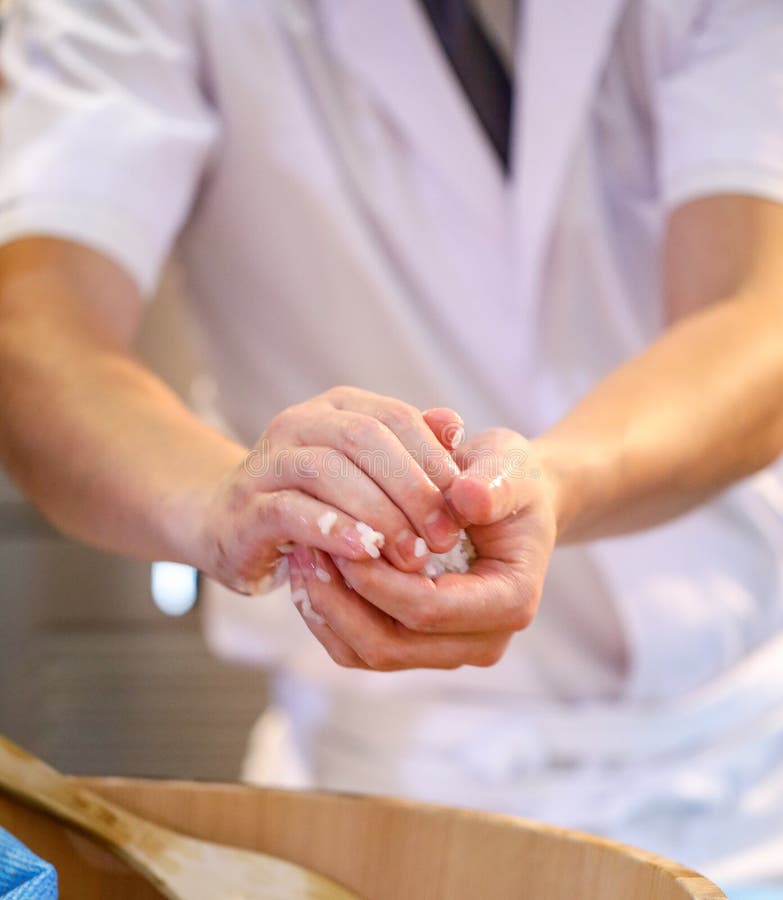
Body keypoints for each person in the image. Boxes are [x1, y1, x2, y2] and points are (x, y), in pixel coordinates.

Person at [0, 0, 782, 891]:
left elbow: (755, 314)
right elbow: (37, 340)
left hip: (740, 781)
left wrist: (551, 485)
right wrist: (225, 499)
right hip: (378, 792)